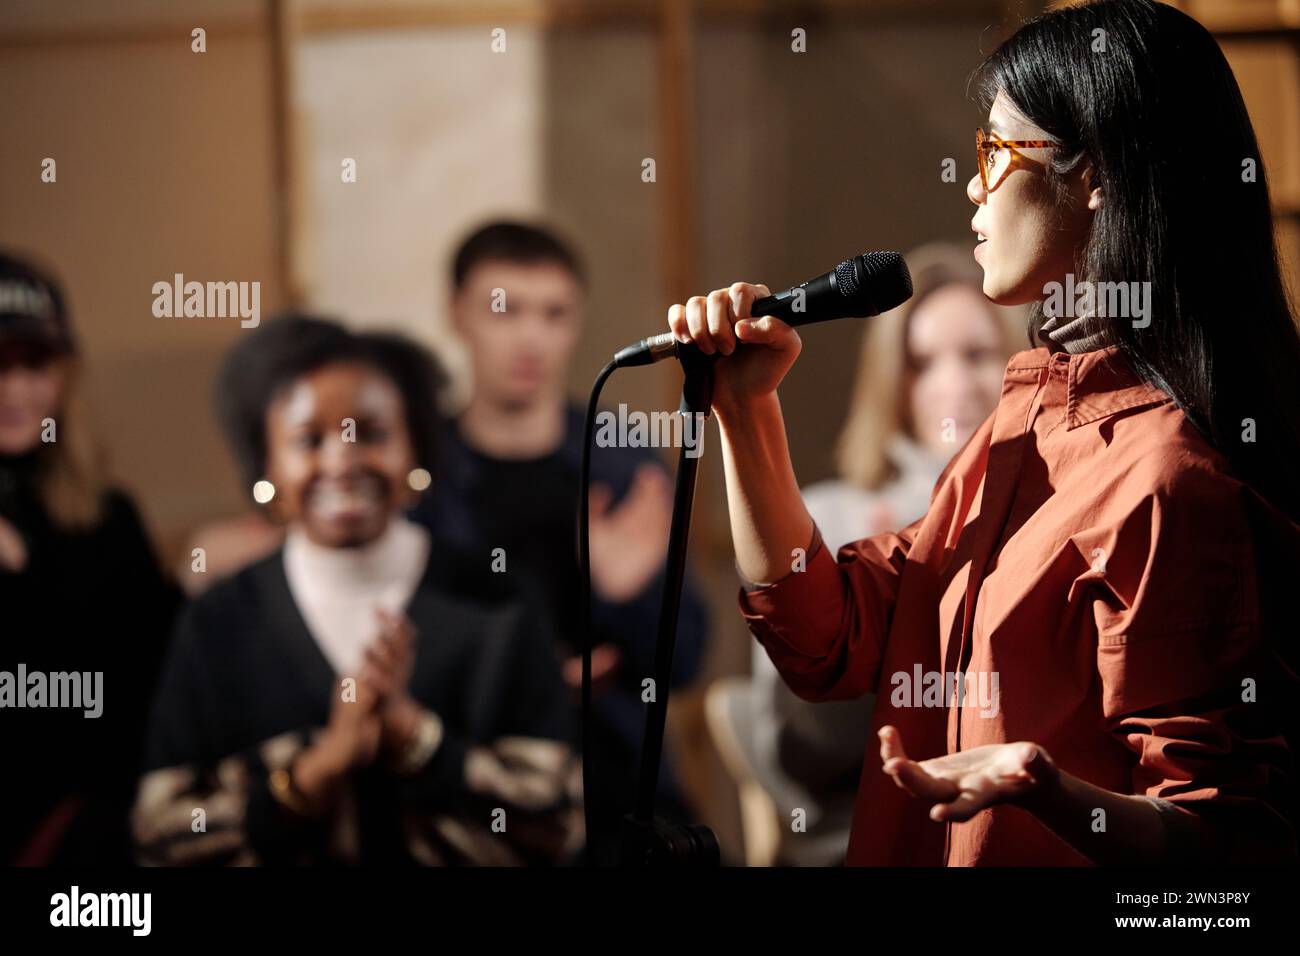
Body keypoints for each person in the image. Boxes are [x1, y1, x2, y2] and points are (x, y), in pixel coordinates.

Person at [667, 0, 1300, 865]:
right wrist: (746, 412)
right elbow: (831, 637)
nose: (974, 183)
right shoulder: (1025, 415)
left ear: (1097, 176)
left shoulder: (1171, 481)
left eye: (996, 150)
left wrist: (1049, 791)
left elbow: (1228, 854)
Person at [133, 317, 582, 865]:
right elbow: (158, 839)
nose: (342, 462)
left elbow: (560, 828)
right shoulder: (218, 623)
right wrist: (313, 774)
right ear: (266, 466)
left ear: (416, 448)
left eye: (371, 433)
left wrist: (417, 739)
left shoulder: (497, 605)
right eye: (308, 440)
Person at [705, 243, 1022, 865]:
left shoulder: (1045, 504)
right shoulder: (826, 515)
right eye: (922, 362)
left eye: (978, 355)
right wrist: (883, 605)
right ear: (891, 381)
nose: (953, 384)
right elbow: (801, 747)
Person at [411, 221, 708, 861]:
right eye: (505, 309)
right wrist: (534, 679)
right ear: (457, 314)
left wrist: (627, 596)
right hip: (466, 795)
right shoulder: (420, 477)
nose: (530, 337)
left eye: (553, 313)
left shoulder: (624, 464)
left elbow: (685, 662)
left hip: (618, 789)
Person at [0, 251, 178, 865]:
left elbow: (133, 709)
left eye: (35, 365)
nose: (16, 391)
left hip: (82, 844)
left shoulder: (107, 517)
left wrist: (26, 578)